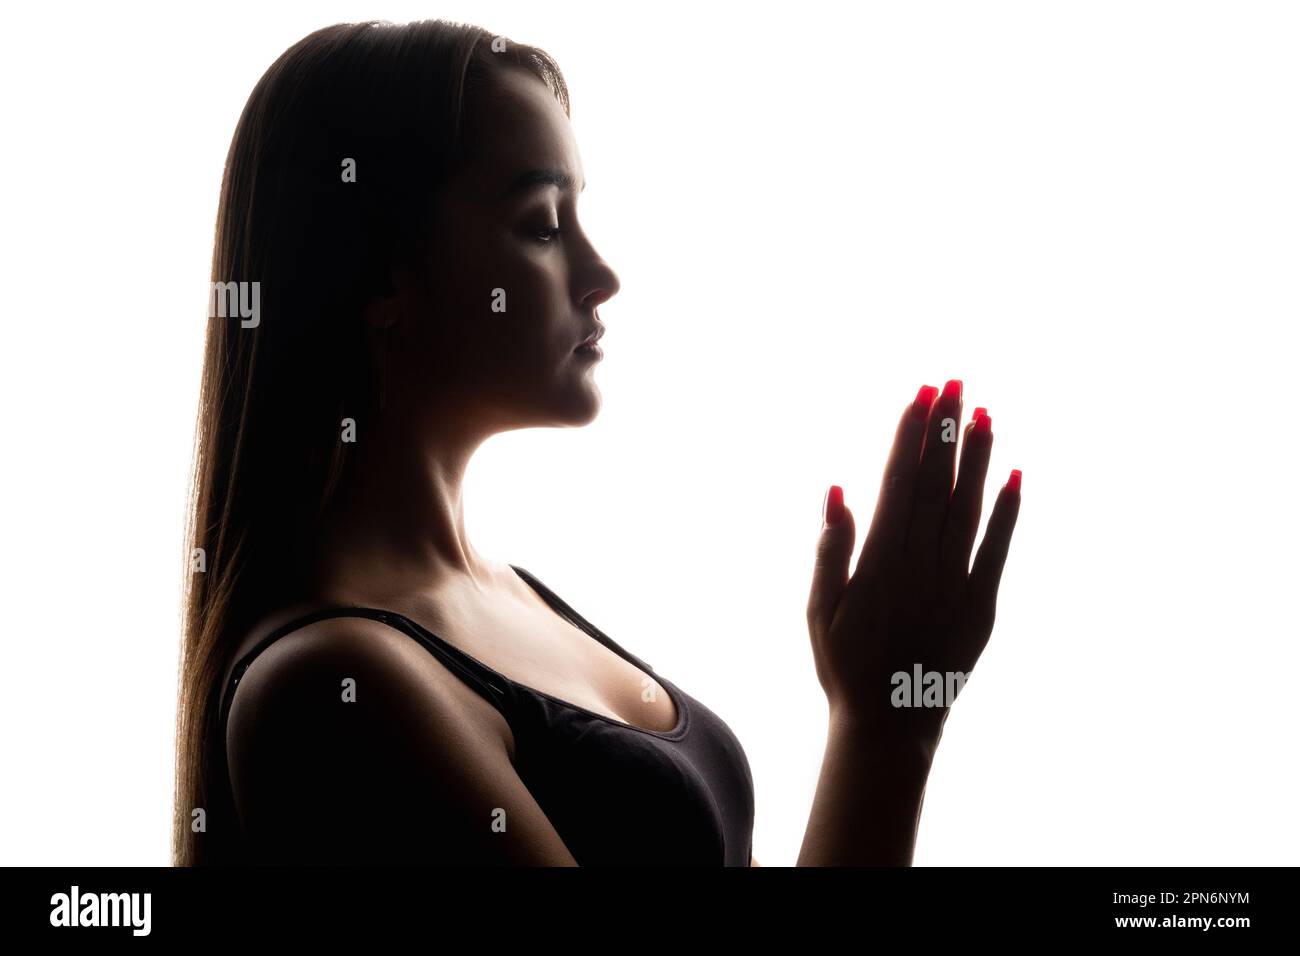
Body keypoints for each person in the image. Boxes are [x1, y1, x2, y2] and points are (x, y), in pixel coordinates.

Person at [172, 18, 1021, 867]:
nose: (602, 275)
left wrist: (886, 714)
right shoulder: (333, 688)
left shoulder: (510, 599)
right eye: (542, 224)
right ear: (382, 274)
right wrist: (882, 734)